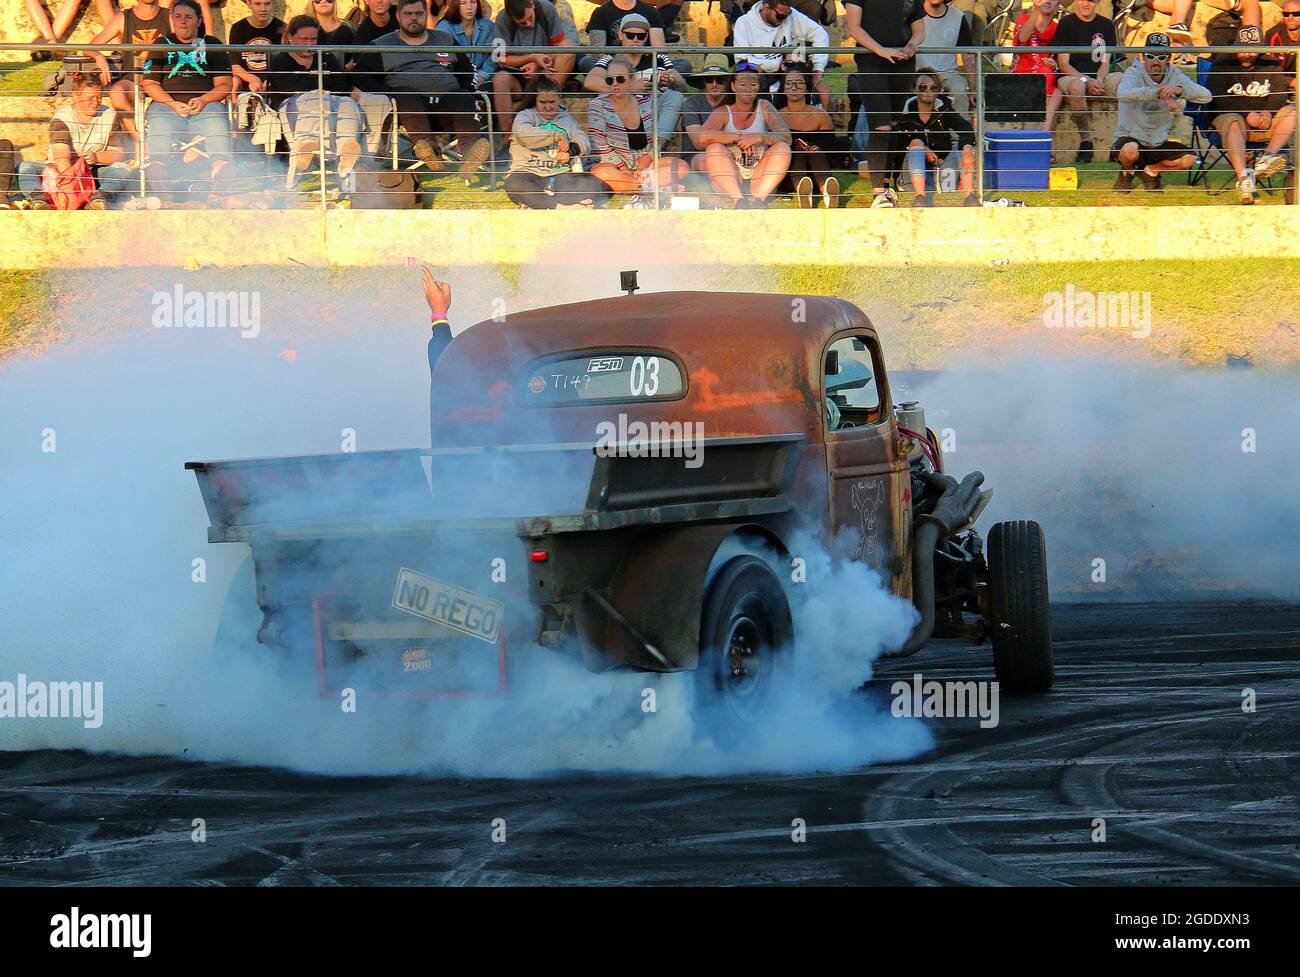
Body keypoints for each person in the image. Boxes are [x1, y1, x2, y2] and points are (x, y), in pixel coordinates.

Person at [353, 0, 492, 178]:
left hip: (447, 104)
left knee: (463, 97)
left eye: (419, 14)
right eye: (408, 14)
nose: (414, 18)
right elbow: (359, 75)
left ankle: (469, 155)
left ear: (426, 15)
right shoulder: (382, 45)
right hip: (409, 109)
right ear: (398, 16)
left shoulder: (445, 39)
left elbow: (468, 70)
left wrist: (467, 90)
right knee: (405, 96)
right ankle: (428, 149)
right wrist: (387, 91)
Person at [138, 0, 233, 202]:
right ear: (171, 20)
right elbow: (149, 83)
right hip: (168, 106)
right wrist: (171, 103)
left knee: (217, 114)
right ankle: (158, 171)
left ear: (199, 21)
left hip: (205, 106)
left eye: (188, 17)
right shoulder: (161, 44)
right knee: (158, 116)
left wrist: (204, 99)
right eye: (177, 17)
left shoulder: (213, 44)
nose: (182, 21)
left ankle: (220, 171)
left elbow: (224, 84)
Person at [264, 15, 363, 190]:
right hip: (294, 109)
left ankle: (347, 150)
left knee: (347, 102)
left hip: (329, 105)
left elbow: (342, 85)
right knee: (316, 96)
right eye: (304, 40)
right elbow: (289, 88)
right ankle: (305, 147)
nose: (310, 44)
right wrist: (322, 87)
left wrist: (321, 89)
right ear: (290, 38)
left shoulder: (327, 58)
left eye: (313, 39)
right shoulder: (280, 61)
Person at [844, 0, 926, 208]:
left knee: (894, 124)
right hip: (872, 62)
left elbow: (918, 29)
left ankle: (887, 186)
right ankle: (878, 191)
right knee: (881, 126)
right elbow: (853, 26)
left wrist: (911, 46)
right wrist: (879, 50)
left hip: (903, 63)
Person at [1112, 32, 1210, 193]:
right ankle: (1126, 172)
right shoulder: (1133, 72)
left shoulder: (1174, 75)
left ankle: (1151, 171)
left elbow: (1206, 96)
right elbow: (1123, 94)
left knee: (1189, 159)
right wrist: (1158, 93)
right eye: (1151, 56)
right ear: (1143, 57)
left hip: (1157, 142)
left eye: (1162, 56)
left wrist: (1178, 91)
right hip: (1130, 139)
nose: (1156, 62)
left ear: (1169, 58)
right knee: (1130, 151)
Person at [1207, 25, 1295, 204]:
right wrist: (1247, 114)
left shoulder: (1271, 64)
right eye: (1243, 50)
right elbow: (1217, 99)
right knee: (1232, 120)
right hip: (1233, 120)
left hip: (1265, 121)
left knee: (1293, 112)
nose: (1247, 55)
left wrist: (1268, 113)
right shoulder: (1221, 65)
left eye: (1253, 51)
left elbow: (1280, 93)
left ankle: (1267, 157)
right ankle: (1243, 180)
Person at [17, 74, 133, 209]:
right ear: (76, 97)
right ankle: (38, 199)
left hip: (91, 171)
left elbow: (116, 153)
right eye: (90, 98)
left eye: (99, 97)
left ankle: (101, 198)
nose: (96, 102)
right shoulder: (61, 119)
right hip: (60, 171)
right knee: (24, 167)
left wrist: (95, 157)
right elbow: (61, 156)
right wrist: (72, 186)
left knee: (122, 169)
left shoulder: (110, 116)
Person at [587, 54, 690, 205]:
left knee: (681, 167)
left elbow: (652, 140)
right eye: (610, 80)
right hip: (613, 165)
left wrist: (642, 168)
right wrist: (624, 168)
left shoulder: (644, 103)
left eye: (620, 79)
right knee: (599, 172)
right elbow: (599, 144)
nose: (615, 84)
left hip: (642, 164)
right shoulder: (598, 105)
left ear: (631, 81)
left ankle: (633, 186)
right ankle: (651, 188)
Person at [583, 13, 686, 150]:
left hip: (653, 108)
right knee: (603, 99)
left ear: (647, 37)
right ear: (620, 35)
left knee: (675, 96)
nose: (636, 39)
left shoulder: (659, 57)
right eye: (630, 35)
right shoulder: (610, 58)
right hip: (623, 110)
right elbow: (590, 82)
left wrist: (671, 78)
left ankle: (656, 149)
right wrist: (630, 88)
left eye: (641, 36)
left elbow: (682, 85)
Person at [697, 60, 792, 208]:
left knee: (783, 148)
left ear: (759, 87)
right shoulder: (723, 111)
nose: (748, 89)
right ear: (733, 87)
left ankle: (759, 200)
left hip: (759, 177)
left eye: (753, 85)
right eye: (743, 84)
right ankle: (738, 200)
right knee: (713, 148)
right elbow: (704, 136)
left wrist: (759, 138)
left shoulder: (765, 107)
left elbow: (786, 137)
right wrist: (738, 137)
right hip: (731, 178)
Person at [505, 78, 610, 207]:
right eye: (543, 102)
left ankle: (544, 204)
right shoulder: (525, 116)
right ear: (535, 100)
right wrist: (555, 136)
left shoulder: (566, 118)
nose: (548, 107)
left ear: (559, 99)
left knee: (598, 186)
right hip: (528, 173)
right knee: (515, 185)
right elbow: (523, 134)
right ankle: (561, 204)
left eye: (552, 102)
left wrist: (572, 150)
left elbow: (582, 139)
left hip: (559, 175)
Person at [492, 0, 578, 142]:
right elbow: (500, 59)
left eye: (530, 18)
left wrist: (538, 64)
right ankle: (508, 136)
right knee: (500, 79)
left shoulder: (546, 8)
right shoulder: (502, 18)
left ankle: (551, 101)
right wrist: (530, 58)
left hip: (544, 71)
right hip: (517, 73)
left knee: (569, 47)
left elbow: (559, 45)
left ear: (532, 4)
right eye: (522, 23)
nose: (528, 24)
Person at [895, 68, 978, 207]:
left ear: (938, 90)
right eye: (922, 87)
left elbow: (966, 129)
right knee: (916, 142)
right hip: (911, 166)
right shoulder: (904, 111)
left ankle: (969, 195)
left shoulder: (944, 108)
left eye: (934, 87)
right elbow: (899, 142)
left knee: (966, 146)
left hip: (943, 161)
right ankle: (920, 196)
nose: (928, 91)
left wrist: (967, 148)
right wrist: (922, 148)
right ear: (914, 89)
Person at [1049, 0, 1120, 163]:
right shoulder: (1066, 24)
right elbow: (1063, 64)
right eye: (1081, 0)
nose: (1085, 4)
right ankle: (1085, 141)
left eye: (1090, 0)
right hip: (1073, 76)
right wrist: (1087, 80)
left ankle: (1122, 141)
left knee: (1124, 82)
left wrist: (1100, 80)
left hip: (1099, 76)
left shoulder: (1106, 25)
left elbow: (1105, 62)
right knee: (1077, 87)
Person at [89, 0, 167, 144]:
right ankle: (140, 141)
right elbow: (89, 47)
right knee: (117, 91)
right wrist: (99, 57)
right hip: (134, 78)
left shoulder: (168, 15)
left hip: (163, 78)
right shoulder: (124, 17)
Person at [732, 0, 831, 106]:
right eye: (780, 16)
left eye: (787, 15)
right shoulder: (744, 22)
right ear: (766, 8)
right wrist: (778, 63)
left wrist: (818, 67)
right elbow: (742, 59)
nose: (784, 19)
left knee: (821, 90)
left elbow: (820, 34)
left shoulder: (790, 15)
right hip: (758, 76)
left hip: (786, 73)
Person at [777, 63, 841, 207]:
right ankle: (803, 192)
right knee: (797, 152)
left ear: (807, 87)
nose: (794, 88)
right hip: (789, 171)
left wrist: (815, 148)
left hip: (817, 167)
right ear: (783, 89)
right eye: (789, 84)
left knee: (815, 152)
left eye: (799, 83)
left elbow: (831, 147)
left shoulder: (820, 116)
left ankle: (828, 193)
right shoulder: (777, 116)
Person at [916, 0, 976, 119]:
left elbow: (968, 55)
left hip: (948, 74)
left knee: (959, 90)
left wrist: (973, 89)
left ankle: (960, 136)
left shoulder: (958, 17)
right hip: (919, 73)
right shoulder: (915, 14)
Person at [1010, 0, 1060, 130]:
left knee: (1058, 91)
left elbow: (1060, 59)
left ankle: (1043, 135)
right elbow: (1022, 38)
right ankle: (1042, 136)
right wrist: (1037, 10)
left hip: (1047, 78)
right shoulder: (1024, 19)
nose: (1047, 1)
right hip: (1021, 75)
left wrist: (1056, 63)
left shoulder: (1057, 27)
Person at [681, 53, 732, 173]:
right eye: (709, 79)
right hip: (697, 156)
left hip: (731, 153)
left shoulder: (734, 101)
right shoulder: (691, 103)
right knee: (709, 160)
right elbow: (700, 143)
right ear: (703, 81)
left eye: (719, 80)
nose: (714, 84)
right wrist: (735, 138)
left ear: (727, 82)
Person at [437, 0, 498, 93]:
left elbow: (494, 55)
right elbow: (443, 63)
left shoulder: (488, 25)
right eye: (463, 3)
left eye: (473, 2)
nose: (469, 7)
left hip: (483, 79)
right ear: (455, 5)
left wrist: (482, 76)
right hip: (456, 81)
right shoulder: (444, 28)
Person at [228, 0, 286, 97]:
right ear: (249, 4)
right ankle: (233, 111)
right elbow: (234, 65)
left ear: (273, 4)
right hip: (246, 78)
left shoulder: (282, 28)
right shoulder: (238, 28)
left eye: (267, 4)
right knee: (234, 82)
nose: (263, 9)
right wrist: (252, 79)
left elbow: (284, 65)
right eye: (257, 4)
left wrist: (269, 81)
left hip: (273, 79)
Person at [1264, 0, 1300, 80]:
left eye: (1296, 14)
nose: (1290, 18)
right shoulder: (1273, 35)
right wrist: (1290, 82)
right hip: (1280, 83)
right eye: (1286, 14)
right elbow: (1271, 69)